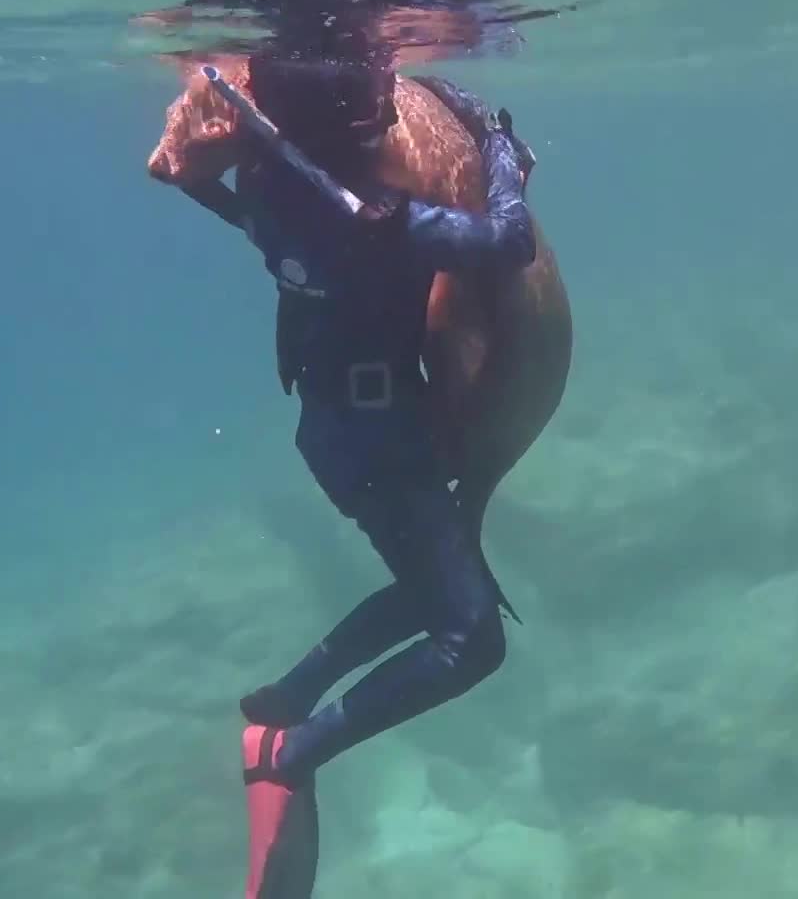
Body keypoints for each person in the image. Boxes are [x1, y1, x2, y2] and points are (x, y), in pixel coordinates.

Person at [167, 54, 540, 898]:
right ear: (354, 124)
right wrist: (497, 147)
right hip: (383, 444)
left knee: (432, 586)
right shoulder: (386, 223)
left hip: (336, 434)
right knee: (472, 638)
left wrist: (202, 169)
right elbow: (508, 242)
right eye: (378, 103)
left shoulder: (276, 196)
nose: (390, 111)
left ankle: (284, 698)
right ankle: (291, 754)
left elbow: (232, 209)